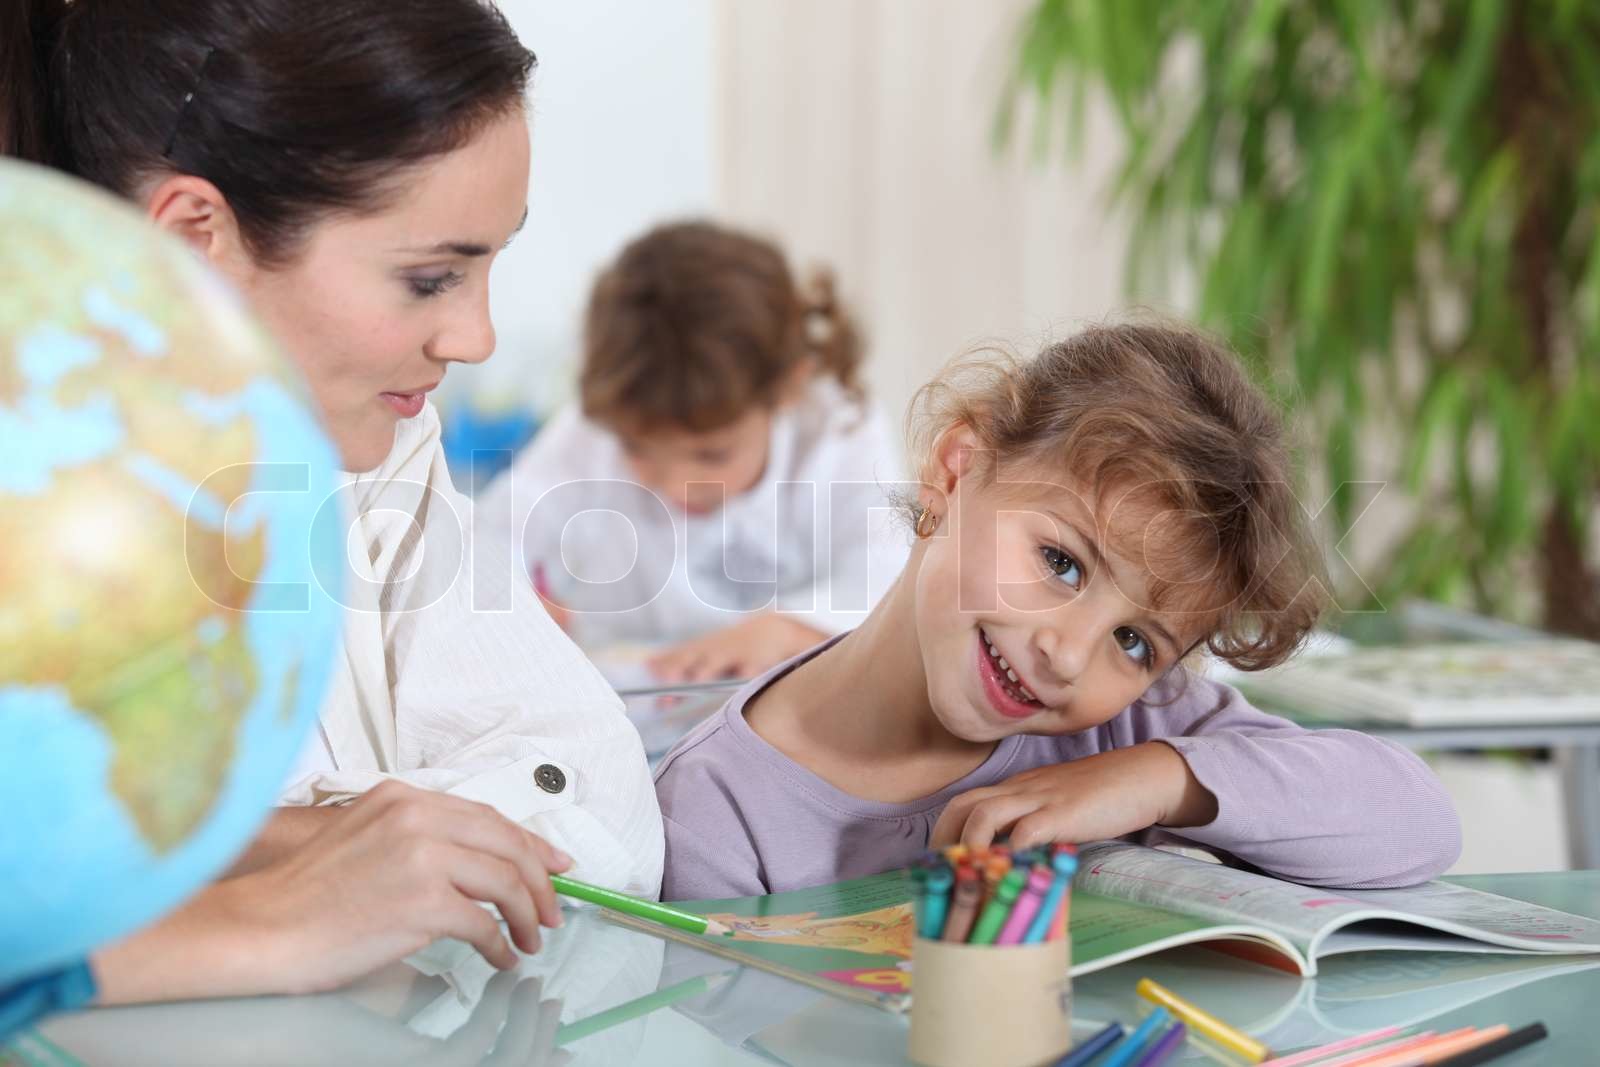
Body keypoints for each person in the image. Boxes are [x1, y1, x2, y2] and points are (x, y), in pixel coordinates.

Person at [2, 0, 662, 1001]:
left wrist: (283, 838)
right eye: (430, 278)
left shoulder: (376, 442)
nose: (475, 338)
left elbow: (604, 808)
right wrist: (279, 873)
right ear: (195, 237)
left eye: (487, 265)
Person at [653, 322, 1463, 900]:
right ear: (955, 470)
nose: (1070, 654)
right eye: (1062, 562)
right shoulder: (716, 808)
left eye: (1135, 642)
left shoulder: (1131, 731)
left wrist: (1153, 780)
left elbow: (1418, 820)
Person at [478, 221, 909, 684]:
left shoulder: (836, 429)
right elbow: (491, 537)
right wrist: (518, 604)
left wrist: (789, 629)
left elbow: (889, 573)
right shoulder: (597, 426)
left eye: (711, 455)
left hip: (785, 691)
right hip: (629, 688)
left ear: (787, 388)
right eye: (637, 448)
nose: (676, 485)